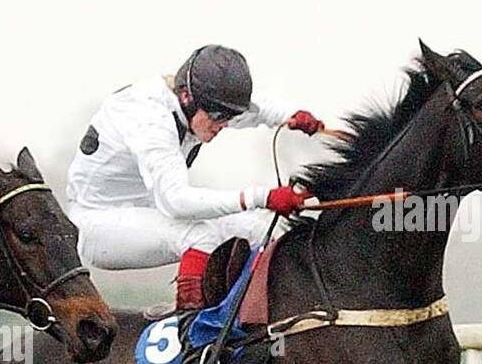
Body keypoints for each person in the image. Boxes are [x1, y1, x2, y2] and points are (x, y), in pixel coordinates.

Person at [65, 44, 323, 310]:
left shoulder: (195, 103)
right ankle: (188, 330)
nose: (223, 126)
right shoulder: (149, 118)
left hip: (147, 211)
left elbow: (252, 110)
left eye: (228, 118)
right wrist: (262, 196)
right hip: (98, 225)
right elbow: (176, 202)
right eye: (218, 117)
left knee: (261, 230)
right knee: (200, 235)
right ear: (187, 97)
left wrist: (289, 115)